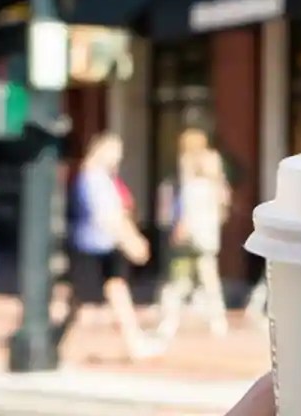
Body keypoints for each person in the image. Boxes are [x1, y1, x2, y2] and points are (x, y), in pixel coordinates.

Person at [67, 132, 163, 361]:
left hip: (104, 246)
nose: (117, 158)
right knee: (85, 306)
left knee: (117, 292)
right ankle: (66, 349)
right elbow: (106, 215)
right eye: (114, 151)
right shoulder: (92, 178)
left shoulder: (102, 177)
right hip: (91, 247)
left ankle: (134, 344)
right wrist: (130, 240)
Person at [156, 128, 231, 339]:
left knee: (179, 276)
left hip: (192, 226)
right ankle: (218, 321)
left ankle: (169, 321)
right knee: (207, 274)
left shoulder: (188, 165)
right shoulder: (214, 167)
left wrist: (182, 223)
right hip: (208, 229)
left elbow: (186, 198)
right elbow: (223, 200)